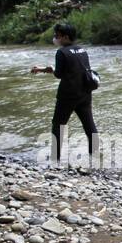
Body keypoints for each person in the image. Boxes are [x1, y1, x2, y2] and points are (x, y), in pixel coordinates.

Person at [31, 22, 98, 164]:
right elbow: (77, 70)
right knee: (89, 124)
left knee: (58, 125)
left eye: (57, 35)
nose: (55, 38)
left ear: (66, 37)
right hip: (85, 93)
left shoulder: (61, 52)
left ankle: (55, 158)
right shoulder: (82, 50)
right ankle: (95, 156)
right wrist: (45, 69)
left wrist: (48, 69)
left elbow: (59, 74)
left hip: (67, 95)